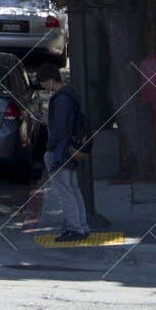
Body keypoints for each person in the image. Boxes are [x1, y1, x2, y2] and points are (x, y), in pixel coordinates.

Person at [40, 69, 90, 242]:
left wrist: (50, 147)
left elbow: (59, 129)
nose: (44, 87)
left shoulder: (60, 99)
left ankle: (75, 228)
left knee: (64, 192)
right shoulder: (71, 96)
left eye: (44, 83)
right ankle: (82, 226)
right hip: (70, 149)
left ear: (51, 80)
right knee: (73, 189)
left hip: (60, 152)